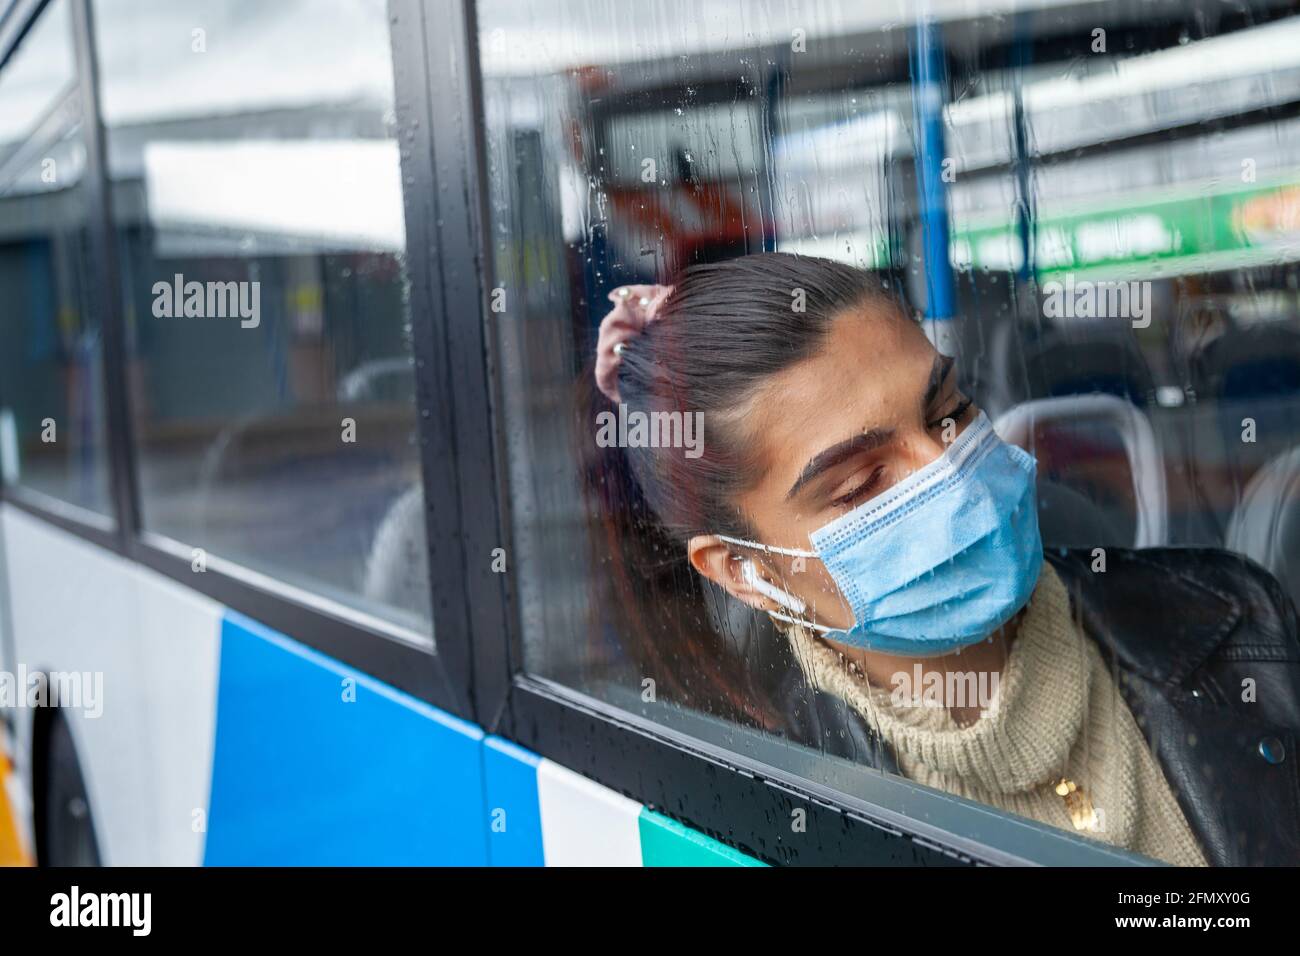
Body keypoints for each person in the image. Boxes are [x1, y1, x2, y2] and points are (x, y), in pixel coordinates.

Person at [580, 251, 1300, 866]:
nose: (949, 471)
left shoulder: (1241, 621)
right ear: (747, 571)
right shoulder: (755, 809)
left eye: (947, 412)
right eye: (862, 483)